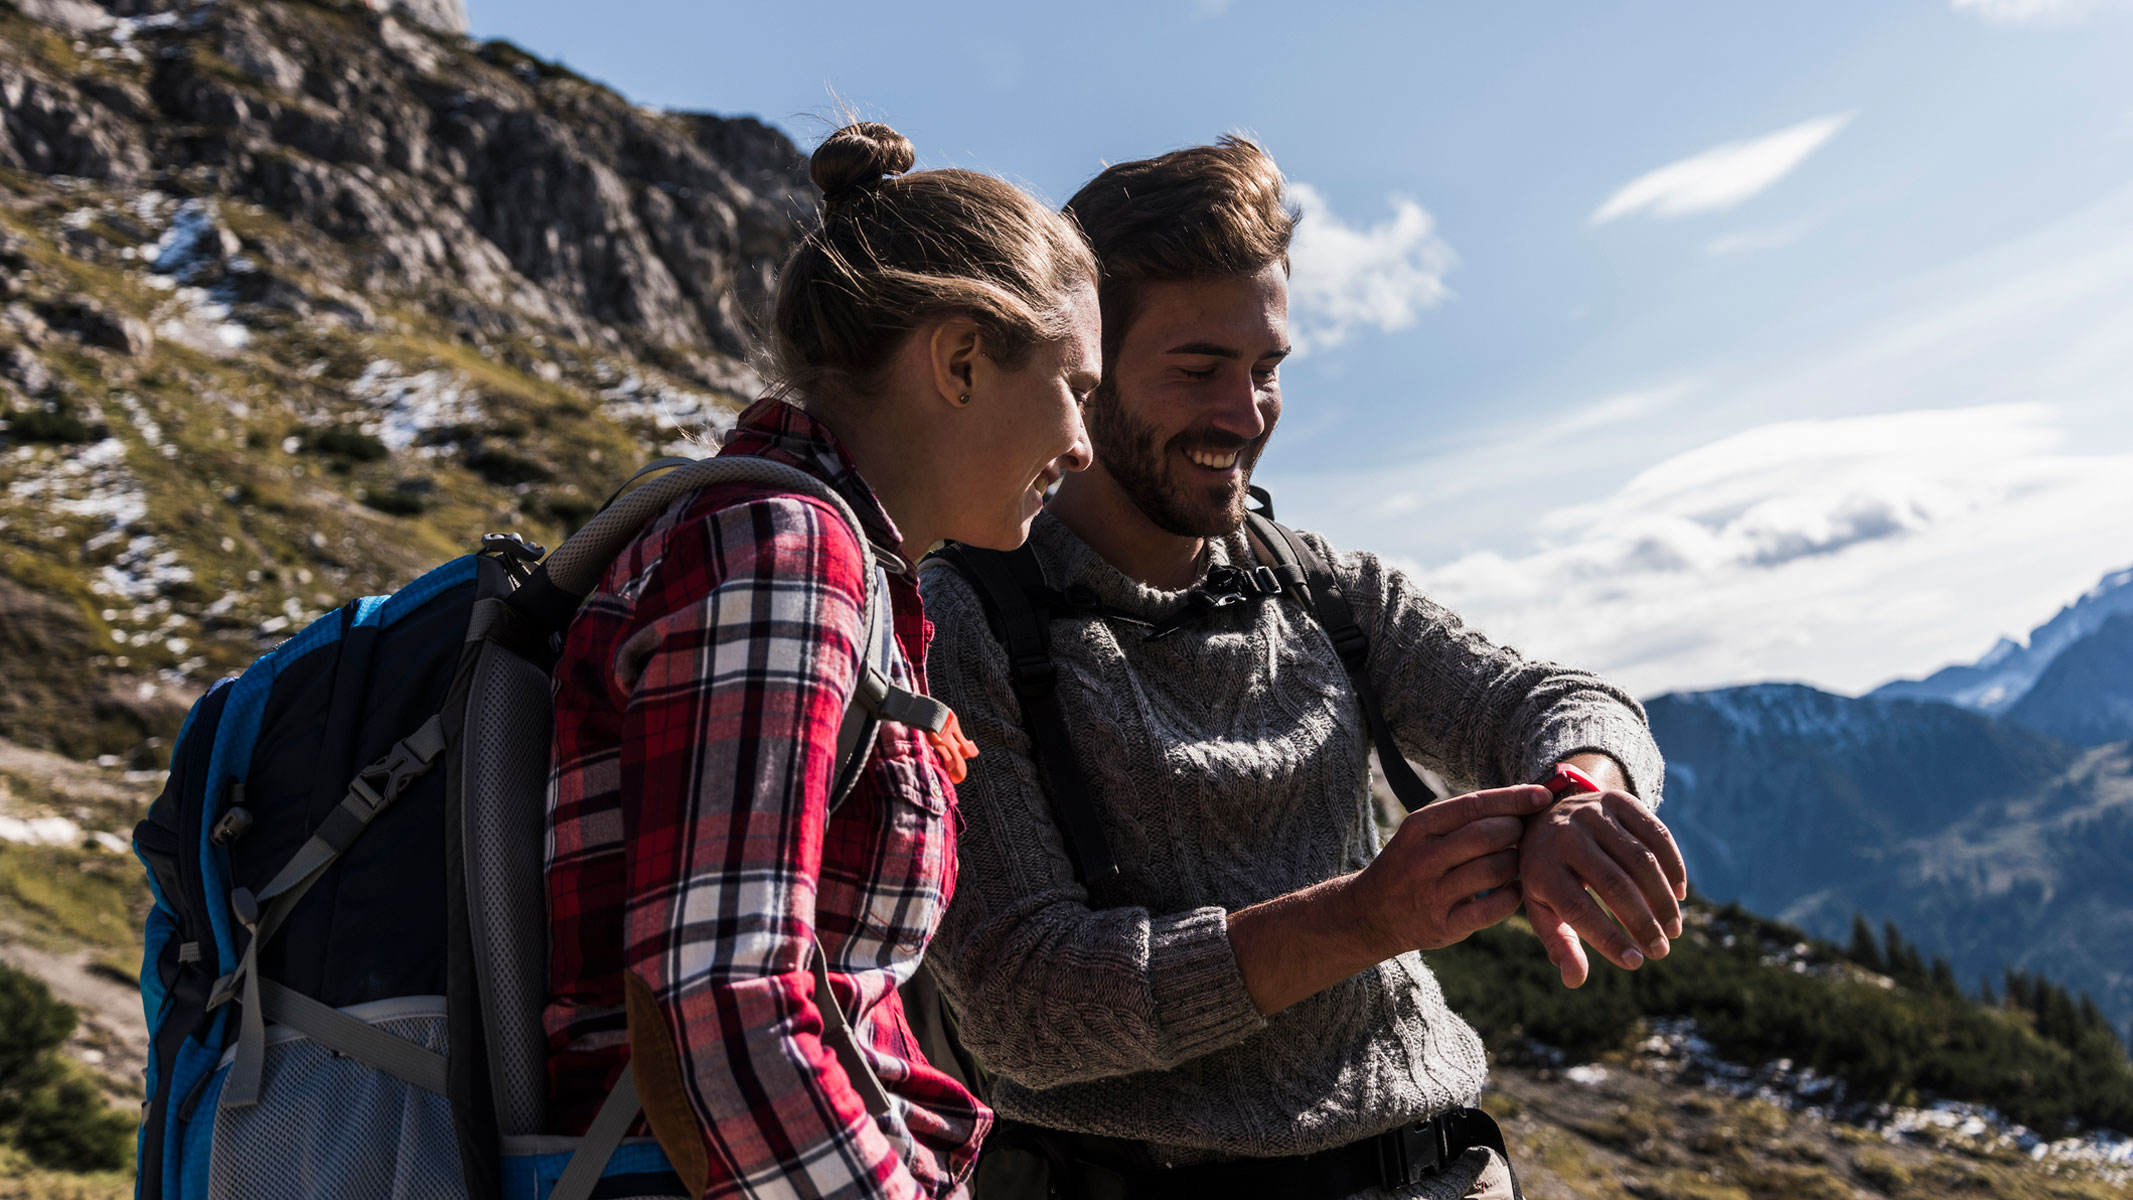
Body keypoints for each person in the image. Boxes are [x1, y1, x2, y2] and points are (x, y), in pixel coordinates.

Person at [919, 137, 1687, 1199]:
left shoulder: (1319, 585)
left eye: (1267, 369)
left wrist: (1579, 793)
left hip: (1442, 1166)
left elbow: (1552, 701)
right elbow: (1026, 1006)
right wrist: (1364, 919)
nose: (1244, 416)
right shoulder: (959, 624)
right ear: (1085, 371)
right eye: (1197, 371)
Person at [541, 121, 1100, 1199]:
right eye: (1075, 383)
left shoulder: (814, 553)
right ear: (961, 359)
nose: (1082, 443)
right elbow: (727, 1003)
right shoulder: (786, 555)